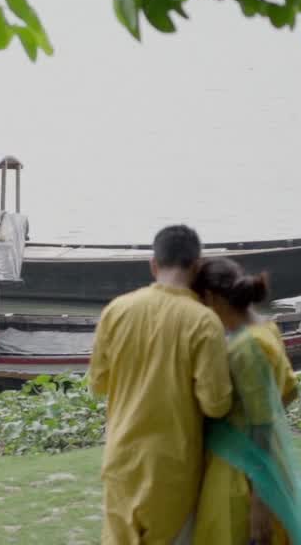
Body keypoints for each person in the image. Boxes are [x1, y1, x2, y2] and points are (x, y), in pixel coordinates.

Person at [89, 225, 233, 544]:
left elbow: (99, 383)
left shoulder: (117, 310)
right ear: (196, 267)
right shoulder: (203, 321)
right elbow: (216, 403)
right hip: (173, 468)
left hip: (121, 458)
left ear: (154, 264)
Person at [190, 258, 301, 545]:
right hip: (267, 466)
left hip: (242, 474)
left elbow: (260, 425)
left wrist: (259, 505)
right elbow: (289, 391)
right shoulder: (268, 331)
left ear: (211, 298)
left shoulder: (246, 348)